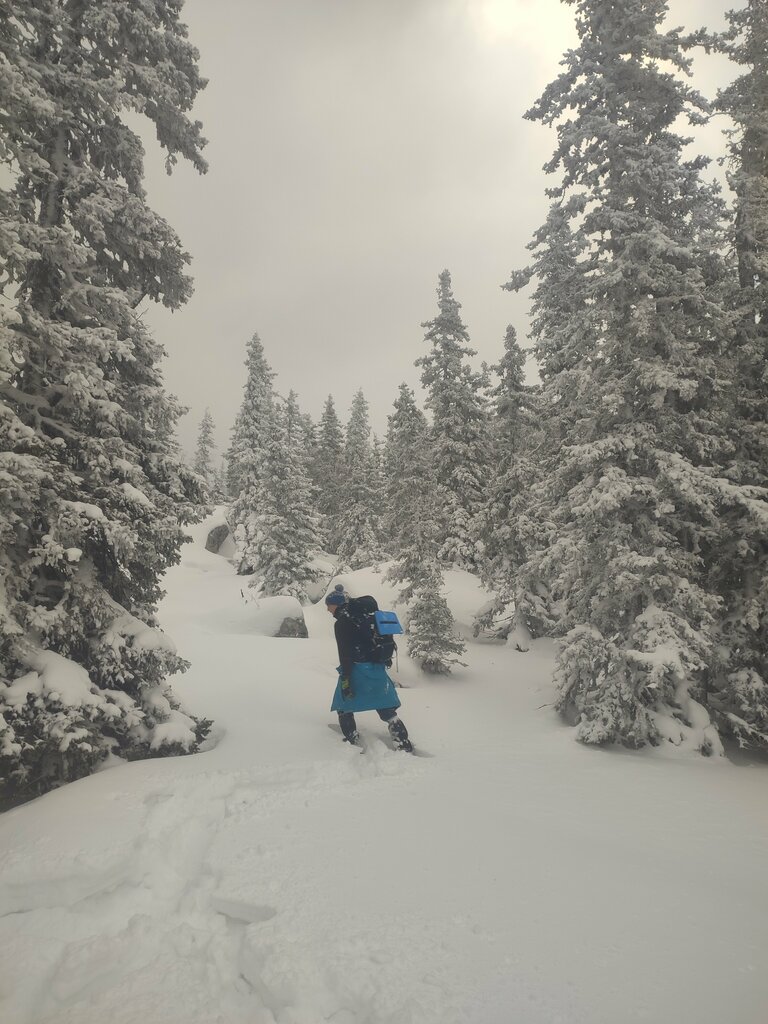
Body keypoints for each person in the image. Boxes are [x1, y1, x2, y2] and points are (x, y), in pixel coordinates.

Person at [325, 586, 413, 752]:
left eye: (328, 605)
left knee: (343, 705)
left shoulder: (342, 622)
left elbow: (345, 653)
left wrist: (346, 678)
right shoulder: (369, 616)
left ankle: (352, 741)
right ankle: (403, 742)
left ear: (336, 604)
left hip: (357, 669)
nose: (327, 609)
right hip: (377, 668)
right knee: (385, 707)